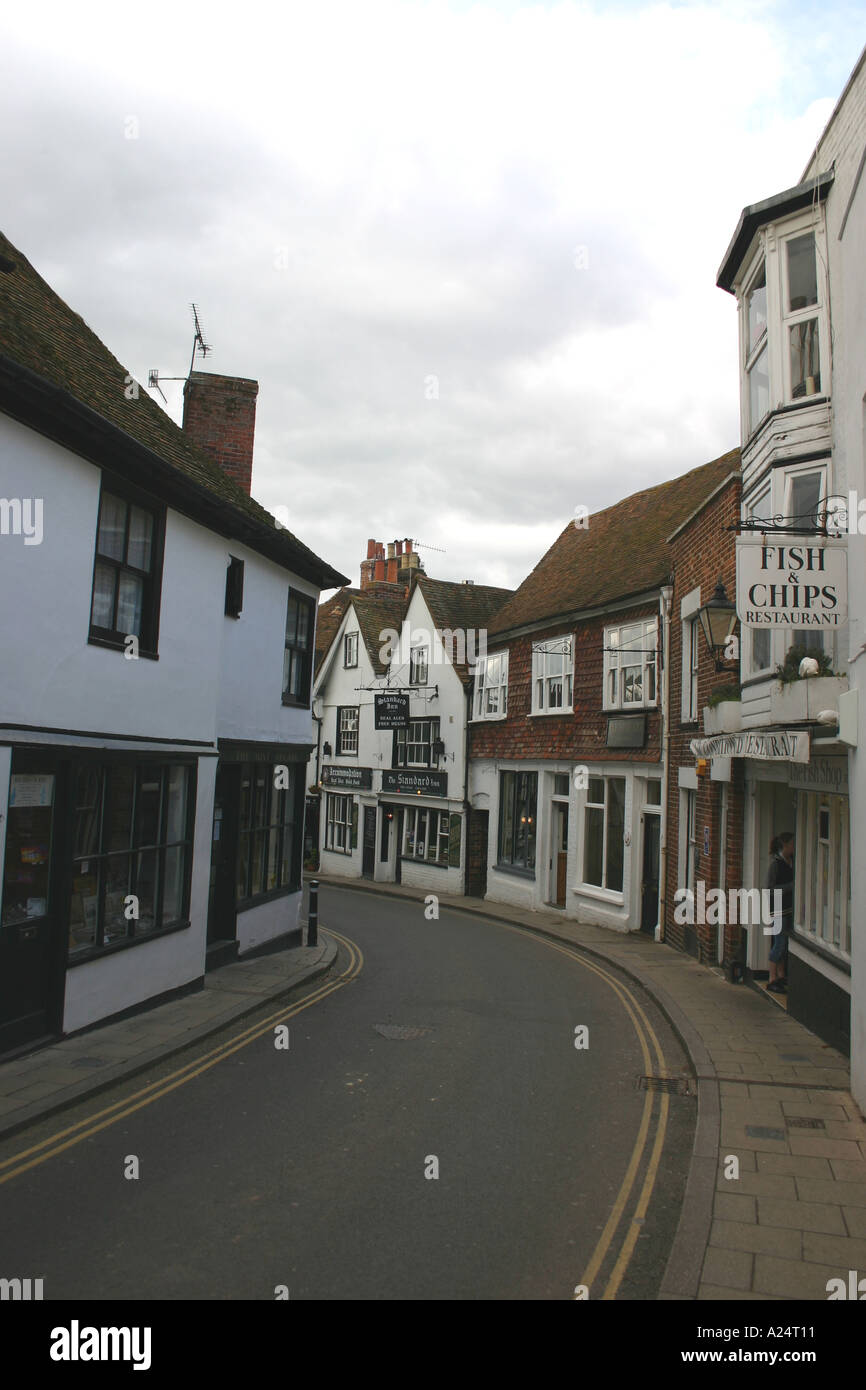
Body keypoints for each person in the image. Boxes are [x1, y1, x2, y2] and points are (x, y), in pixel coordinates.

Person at [766, 832, 794, 992]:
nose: (794, 847)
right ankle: (772, 978)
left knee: (784, 944)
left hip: (789, 909)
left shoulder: (792, 861)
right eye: (792, 844)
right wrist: (789, 887)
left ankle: (781, 975)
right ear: (785, 845)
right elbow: (769, 889)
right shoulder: (775, 864)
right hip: (777, 910)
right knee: (779, 943)